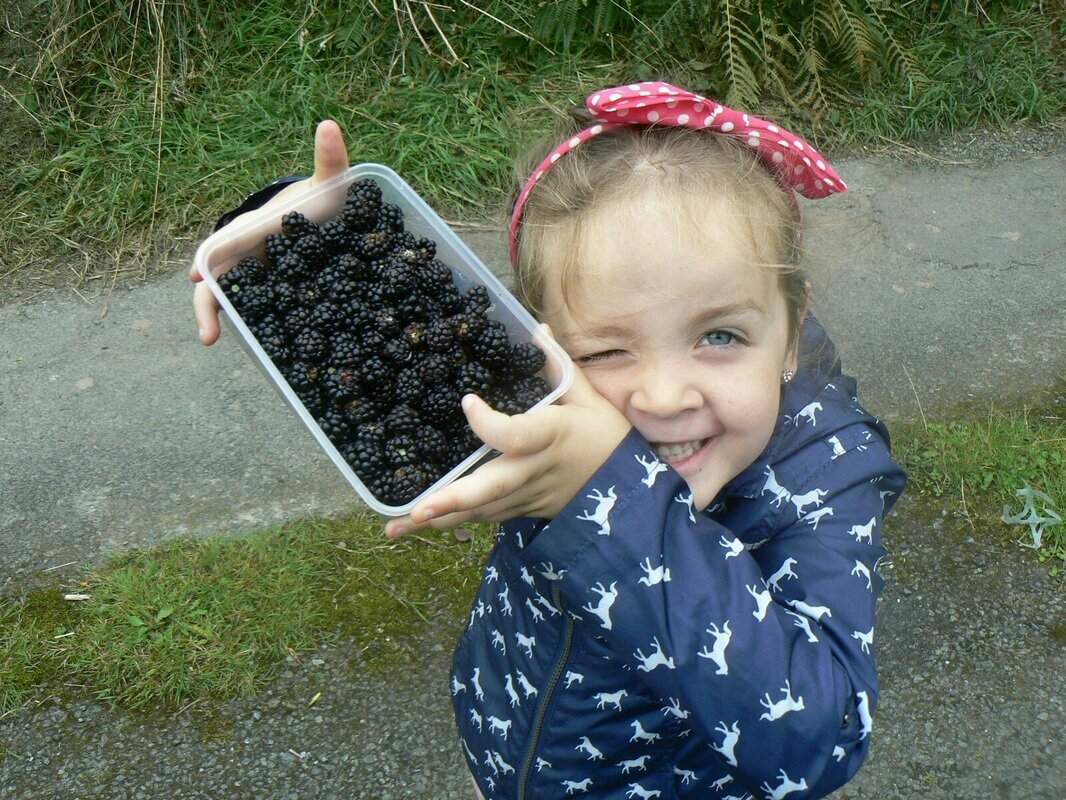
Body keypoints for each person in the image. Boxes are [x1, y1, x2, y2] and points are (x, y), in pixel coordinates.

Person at [191, 81, 906, 799]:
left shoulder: (829, 481)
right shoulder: (545, 400)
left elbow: (824, 736)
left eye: (720, 335)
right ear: (532, 343)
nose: (662, 397)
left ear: (789, 332)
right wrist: (308, 237)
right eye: (603, 352)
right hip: (508, 739)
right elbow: (385, 359)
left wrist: (612, 498)